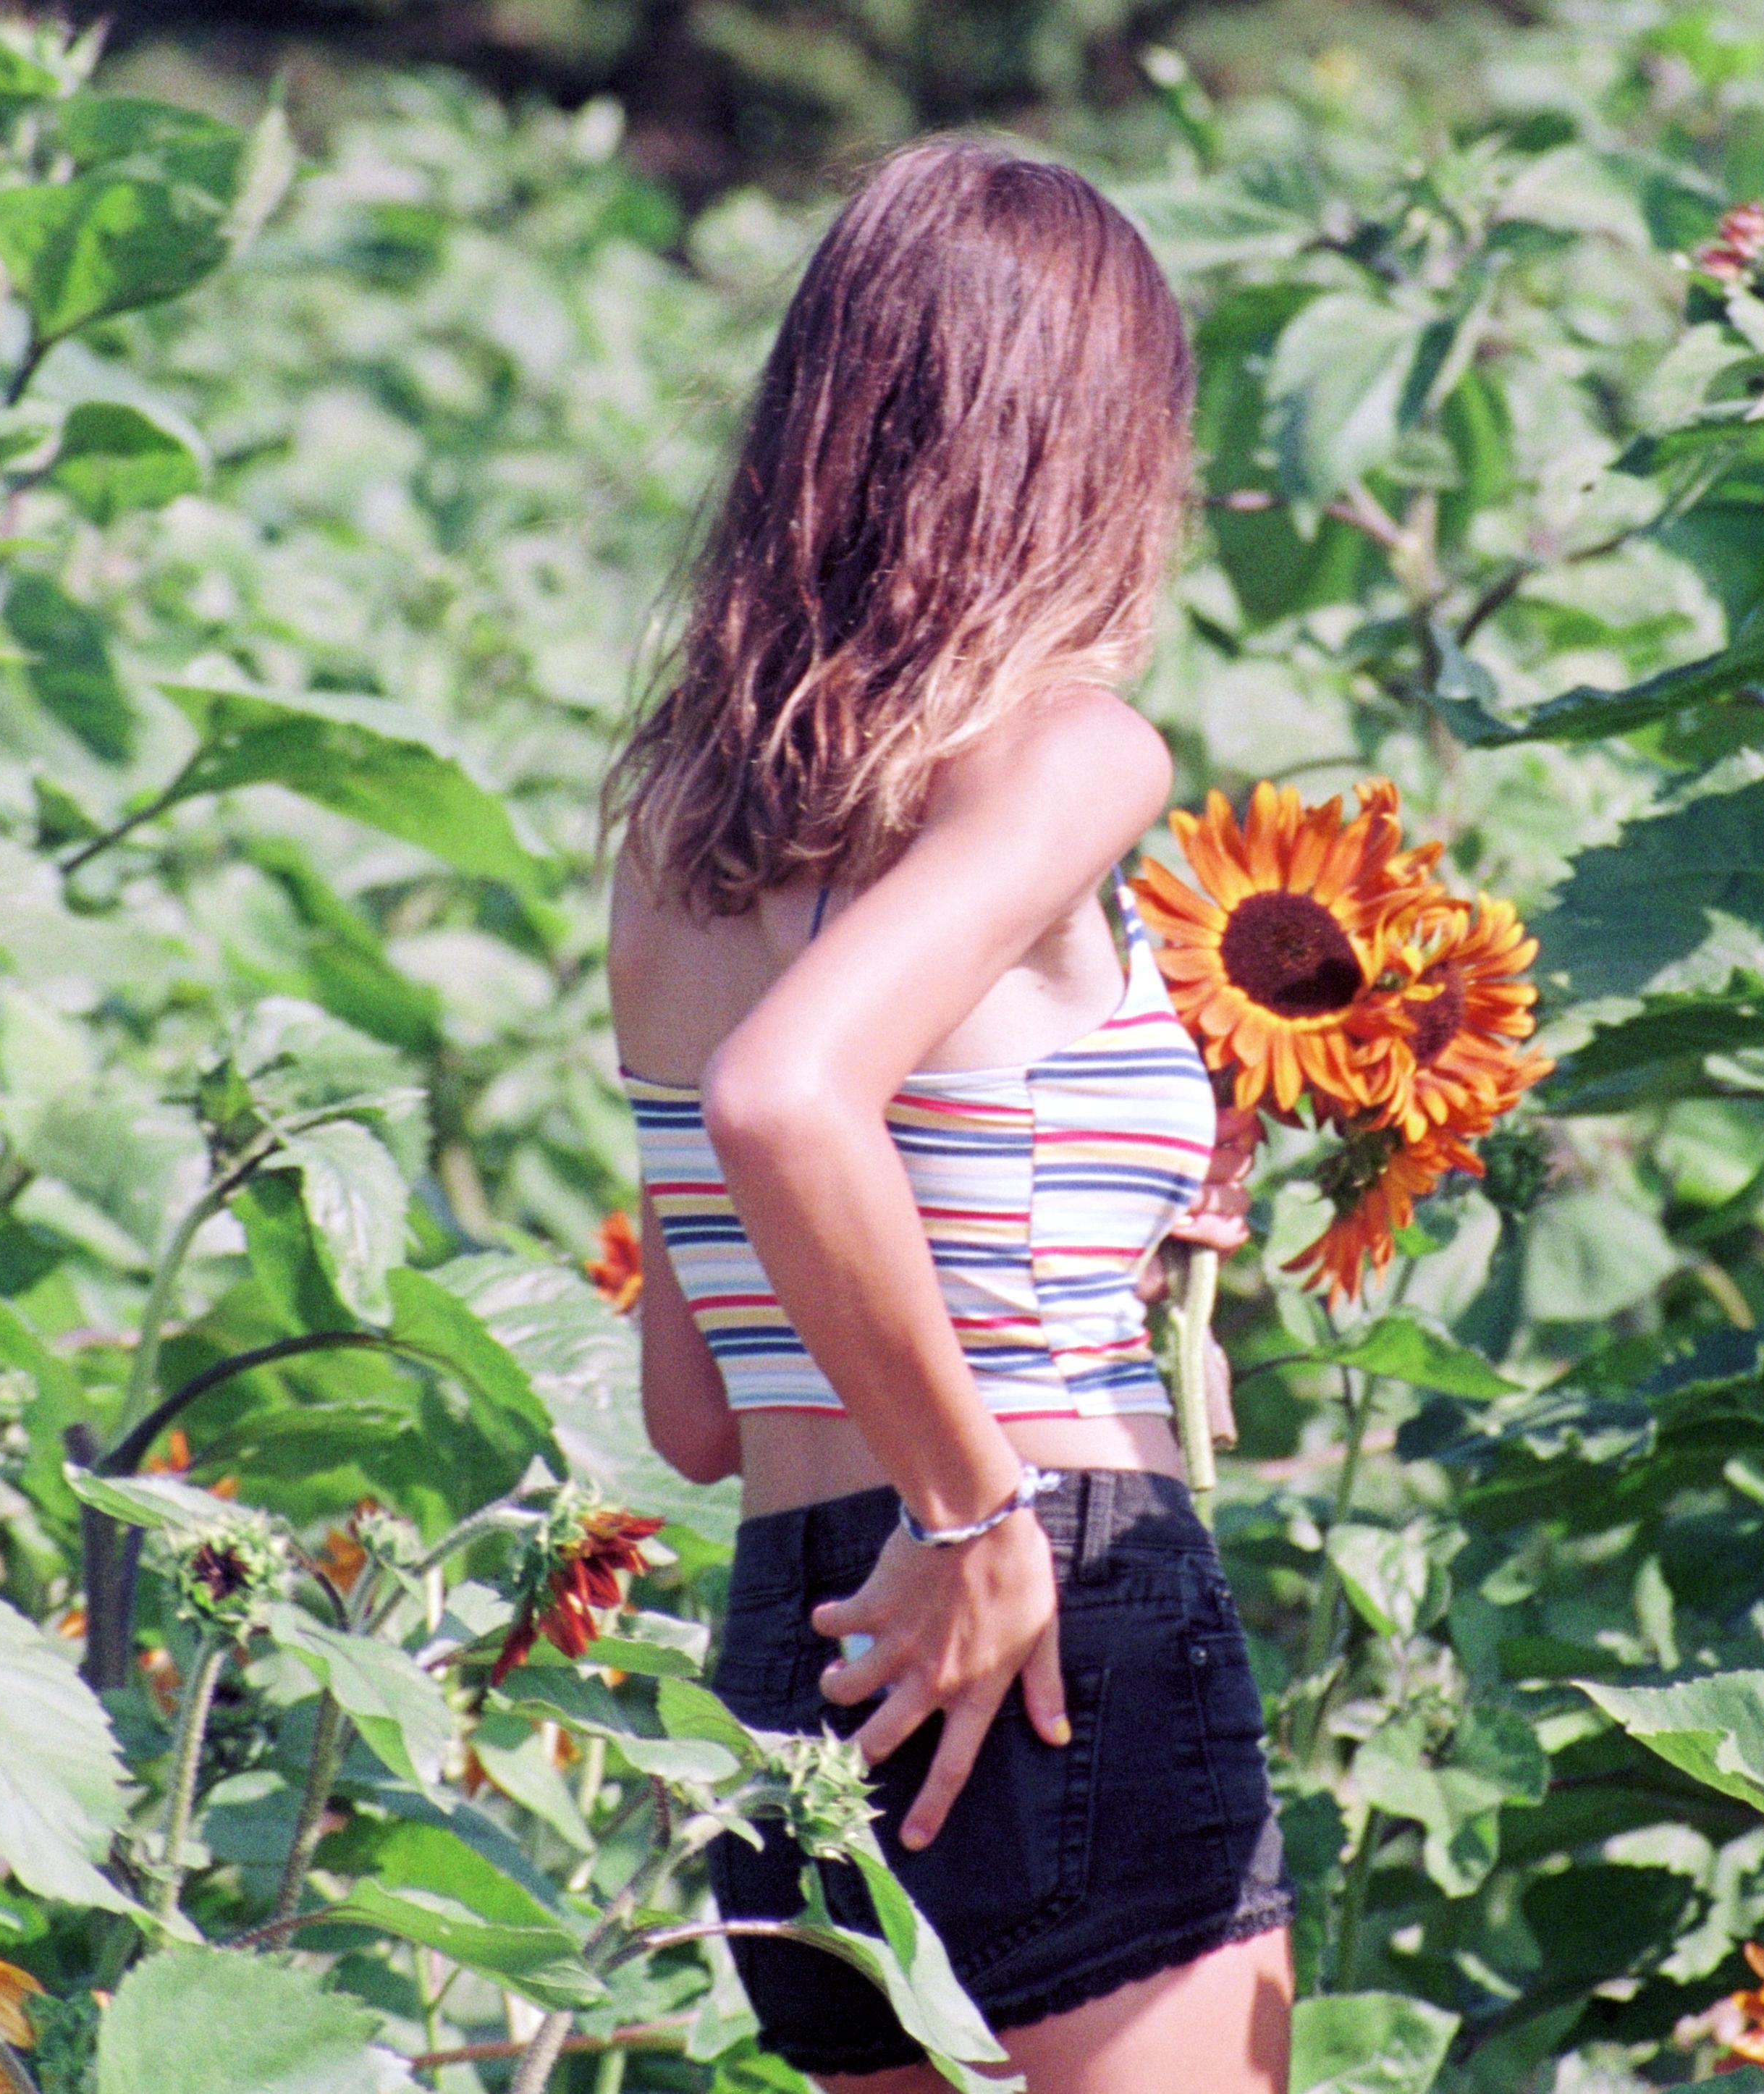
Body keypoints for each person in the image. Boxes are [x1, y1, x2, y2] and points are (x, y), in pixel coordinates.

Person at [603, 135, 1293, 2094]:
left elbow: (699, 1402)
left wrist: (1104, 1215)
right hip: (1034, 1602)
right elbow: (785, 1102)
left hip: (790, 1647)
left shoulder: (674, 841)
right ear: (1095, 442)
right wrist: (974, 1513)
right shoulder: (1068, 751)